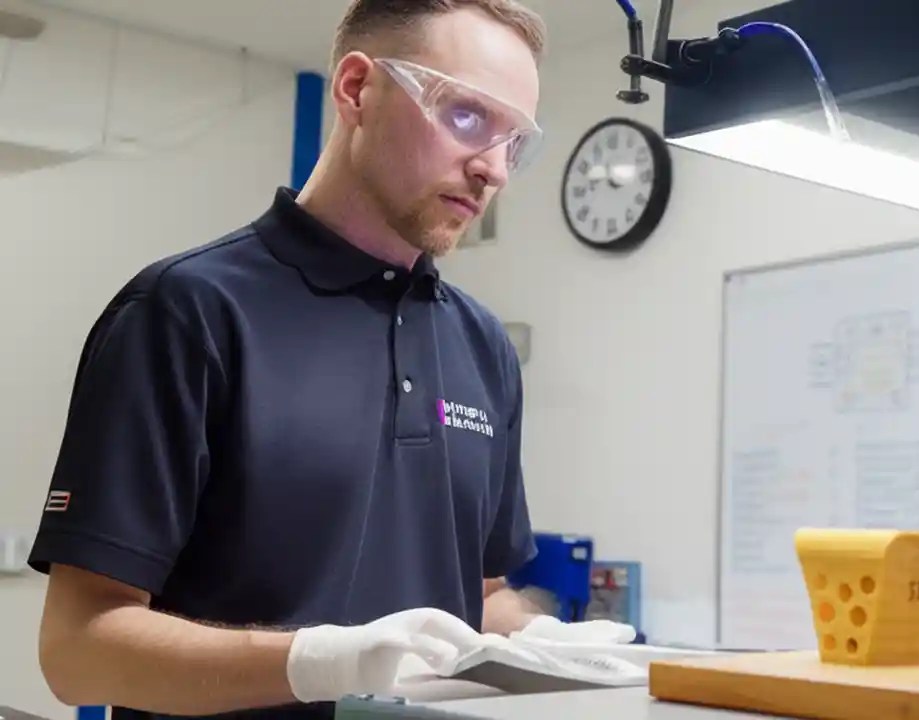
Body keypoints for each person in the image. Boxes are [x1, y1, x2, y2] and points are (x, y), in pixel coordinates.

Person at [26, 1, 568, 718]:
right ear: (356, 90)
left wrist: (550, 644)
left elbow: (478, 598)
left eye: (514, 141)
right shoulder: (189, 312)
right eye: (467, 116)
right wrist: (316, 662)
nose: (493, 168)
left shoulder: (483, 345)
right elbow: (78, 651)